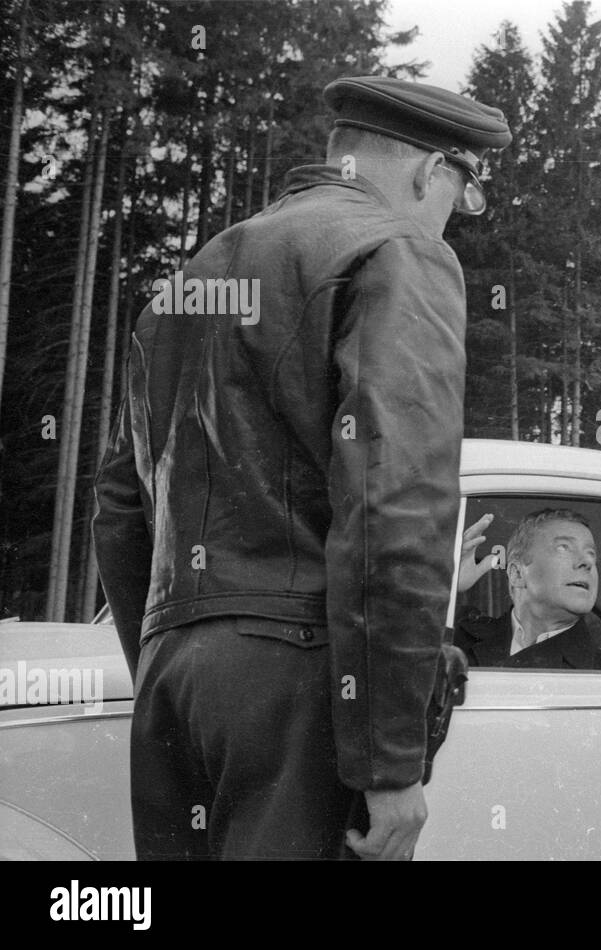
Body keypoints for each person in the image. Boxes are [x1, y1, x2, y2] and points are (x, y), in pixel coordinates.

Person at [92, 76, 511, 860]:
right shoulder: (398, 249)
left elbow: (119, 509)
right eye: (463, 194)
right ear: (432, 172)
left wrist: (168, 659)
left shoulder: (185, 287)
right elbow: (394, 500)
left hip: (175, 681)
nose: (452, 218)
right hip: (304, 687)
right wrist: (390, 761)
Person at [453, 510, 601, 671]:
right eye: (563, 547)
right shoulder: (458, 636)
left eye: (591, 553)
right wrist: (450, 584)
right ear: (517, 574)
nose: (587, 562)